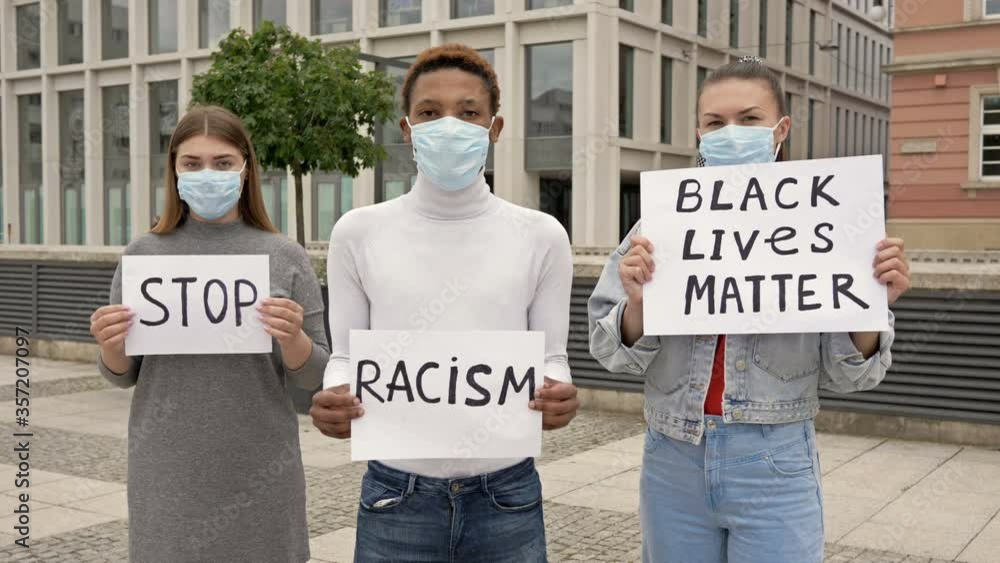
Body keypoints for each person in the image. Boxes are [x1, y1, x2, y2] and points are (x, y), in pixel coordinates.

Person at [588, 56, 911, 563]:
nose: (730, 133)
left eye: (749, 119)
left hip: (775, 458)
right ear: (698, 132)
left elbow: (854, 378)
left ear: (780, 128)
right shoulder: (657, 227)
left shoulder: (829, 225)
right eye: (715, 123)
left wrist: (868, 308)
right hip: (672, 457)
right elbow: (611, 356)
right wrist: (639, 306)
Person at [309, 44, 580, 562]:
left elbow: (551, 356)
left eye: (469, 112)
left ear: (494, 129)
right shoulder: (357, 232)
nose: (449, 124)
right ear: (407, 129)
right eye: (430, 112)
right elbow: (344, 355)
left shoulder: (542, 235)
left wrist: (560, 392)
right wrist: (333, 396)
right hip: (396, 495)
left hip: (507, 495)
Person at [89, 105, 329, 563]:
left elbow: (315, 376)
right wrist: (111, 344)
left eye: (222, 163)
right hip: (166, 470)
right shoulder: (142, 255)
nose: (207, 174)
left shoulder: (285, 255)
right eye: (192, 163)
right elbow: (123, 375)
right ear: (174, 171)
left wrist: (293, 339)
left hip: (262, 467)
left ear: (245, 168)